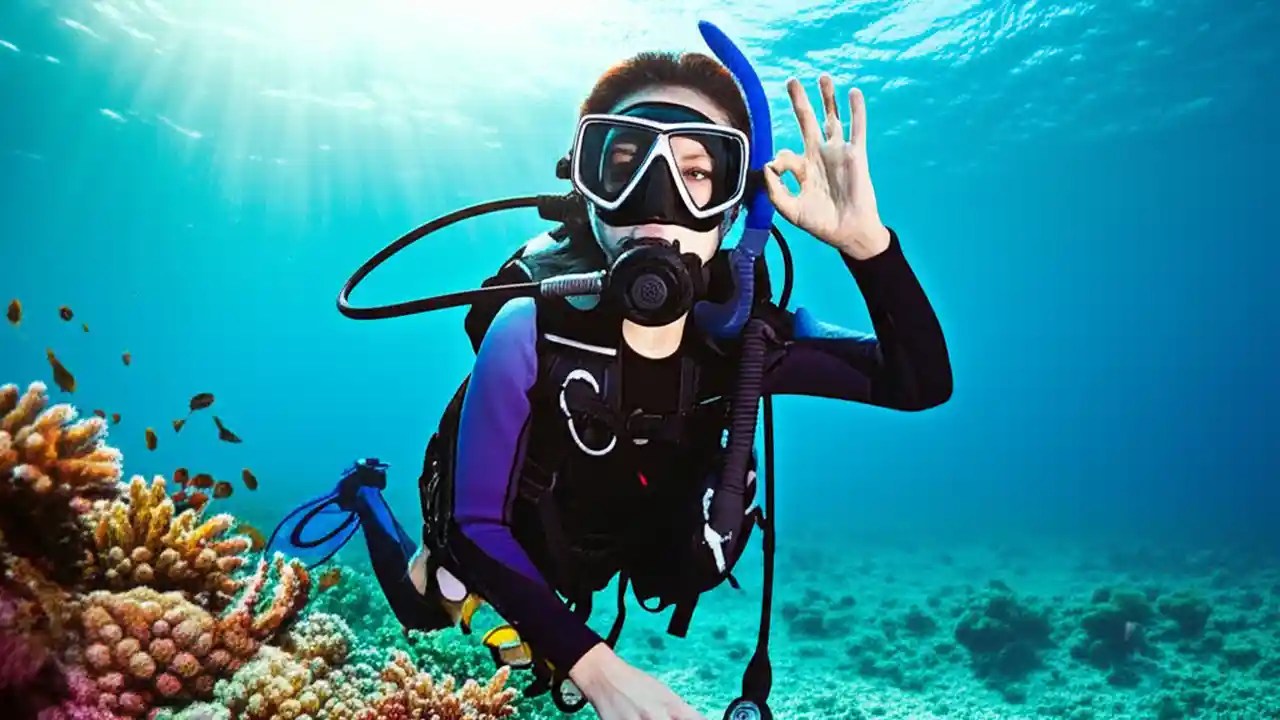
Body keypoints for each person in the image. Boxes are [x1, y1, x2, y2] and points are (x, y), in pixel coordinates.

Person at [269, 30, 951, 720]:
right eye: (621, 164)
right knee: (424, 607)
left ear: (737, 205)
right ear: (584, 188)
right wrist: (601, 672)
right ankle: (364, 498)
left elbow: (918, 383)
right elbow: (476, 524)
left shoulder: (745, 342)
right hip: (527, 536)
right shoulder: (528, 326)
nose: (657, 204)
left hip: (654, 540)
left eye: (696, 171)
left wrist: (870, 250)